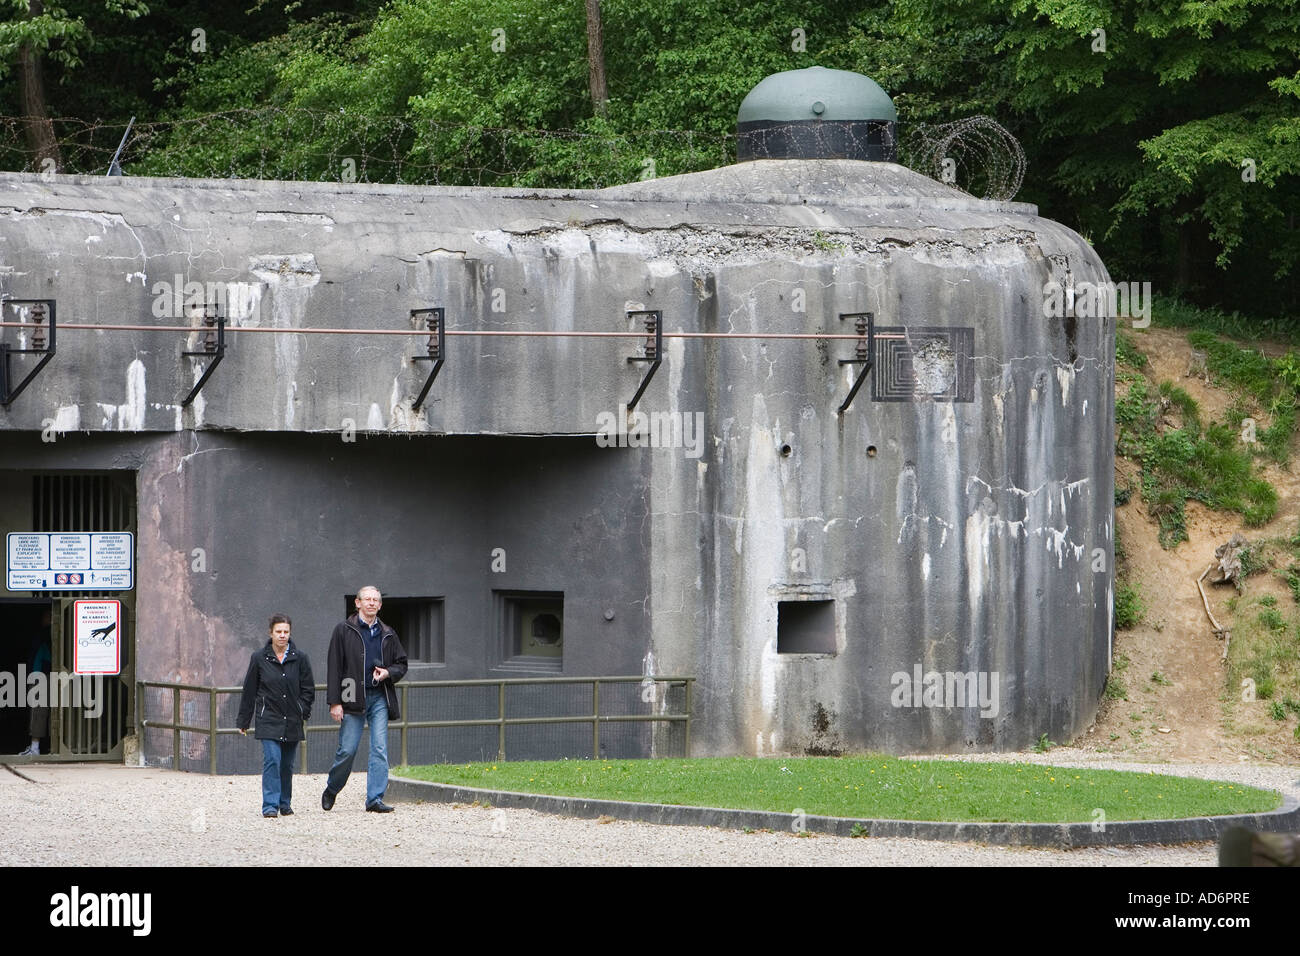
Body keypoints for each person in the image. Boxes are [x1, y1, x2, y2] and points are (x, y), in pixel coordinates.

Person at [322, 585, 407, 813]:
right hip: (351, 695)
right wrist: (335, 702)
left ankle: (374, 799)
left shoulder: (388, 632)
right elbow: (334, 667)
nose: (371, 603)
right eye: (366, 599)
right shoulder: (343, 630)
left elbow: (401, 663)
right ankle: (332, 788)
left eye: (375, 600)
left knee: (379, 748)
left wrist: (388, 672)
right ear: (357, 603)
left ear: (379, 605)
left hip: (380, 695)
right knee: (347, 750)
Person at [237, 614, 315, 818]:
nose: (282, 636)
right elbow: (249, 690)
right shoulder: (259, 658)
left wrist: (302, 710)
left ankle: (284, 802)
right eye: (278, 632)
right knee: (272, 760)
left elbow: (308, 689)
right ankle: (270, 805)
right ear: (270, 633)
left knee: (287, 764)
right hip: (268, 717)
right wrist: (243, 720)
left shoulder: (300, 658)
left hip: (292, 718)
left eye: (286, 632)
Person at [19, 609, 52, 756]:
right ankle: (39, 747)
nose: (44, 618)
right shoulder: (45, 634)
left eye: (47, 615)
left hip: (41, 676)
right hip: (40, 675)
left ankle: (35, 748)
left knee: (38, 712)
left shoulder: (47, 634)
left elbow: (46, 657)